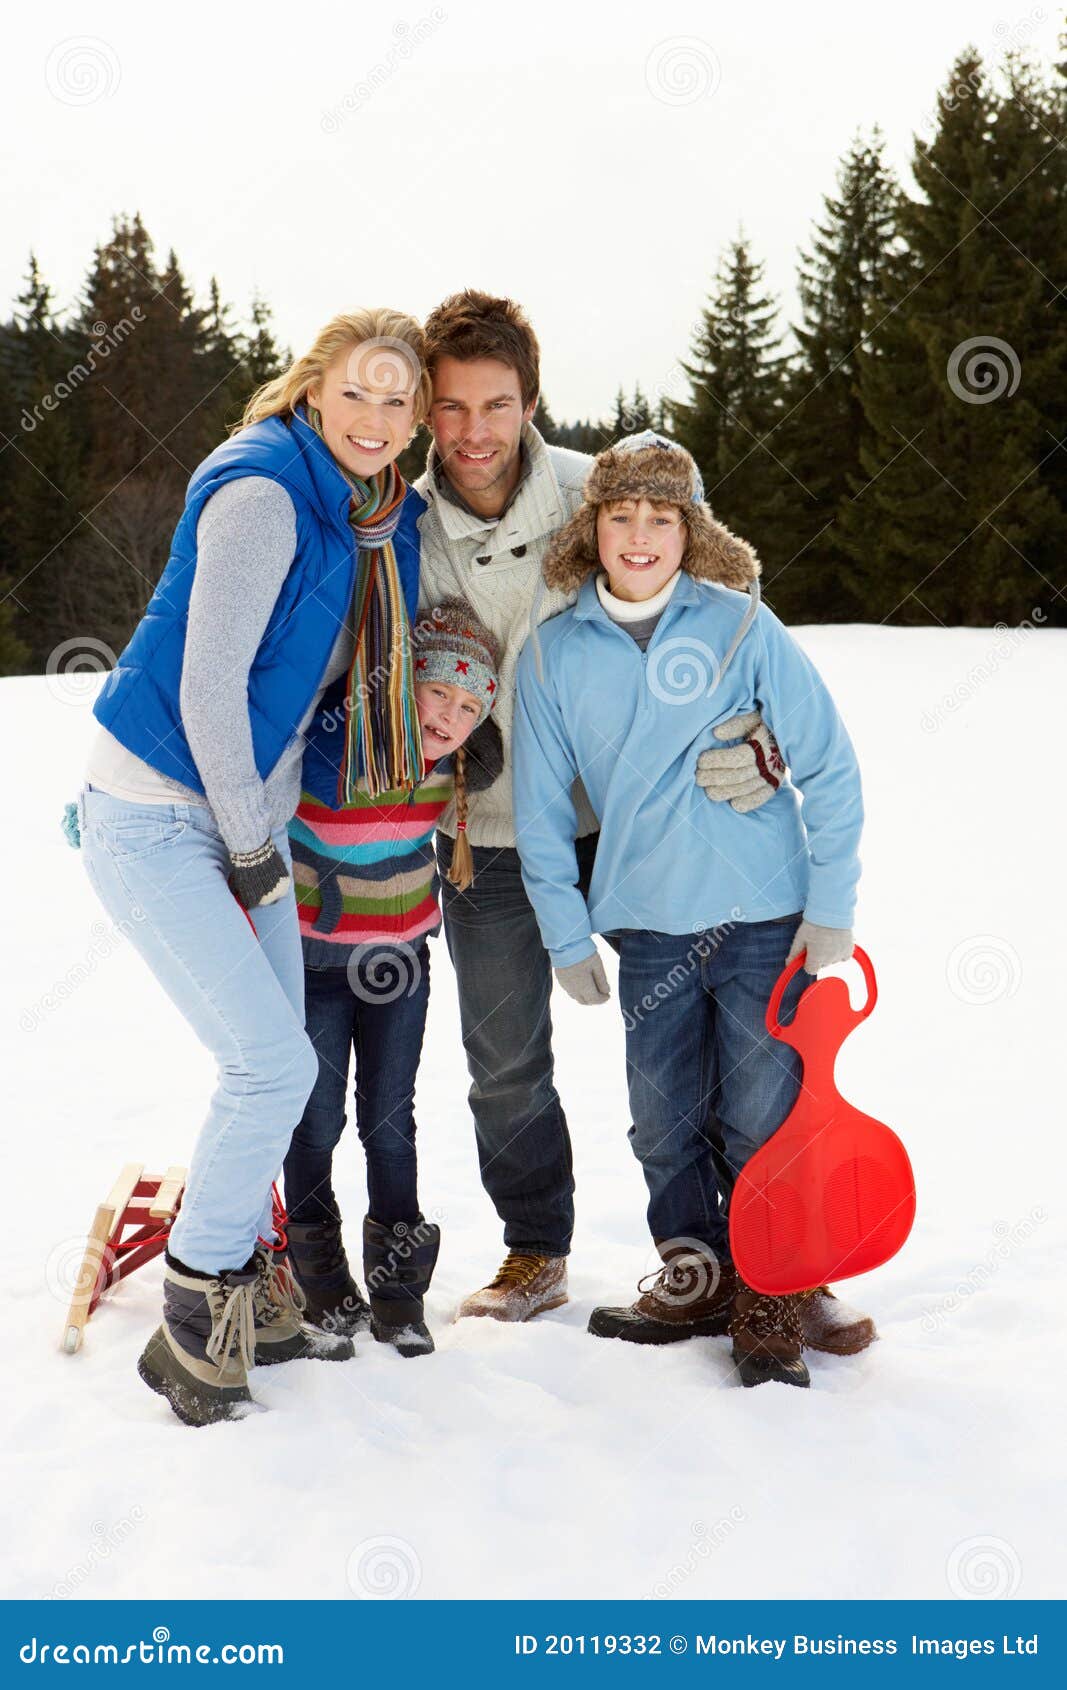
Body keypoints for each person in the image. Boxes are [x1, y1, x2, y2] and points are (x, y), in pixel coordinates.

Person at [413, 291, 872, 1356]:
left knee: (753, 1082)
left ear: (530, 403)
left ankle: (781, 1267)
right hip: (523, 843)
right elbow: (385, 661)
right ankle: (599, 1256)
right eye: (453, 406)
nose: (476, 429)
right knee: (574, 1079)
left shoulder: (639, 527)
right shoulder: (413, 528)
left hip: (702, 869)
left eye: (497, 403)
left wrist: (777, 779)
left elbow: (808, 732)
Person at [73, 309, 431, 1424]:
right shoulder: (266, 493)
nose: (374, 417)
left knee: (286, 1071)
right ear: (314, 389)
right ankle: (197, 1308)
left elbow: (308, 694)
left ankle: (236, 1273)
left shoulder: (369, 514)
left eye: (397, 400)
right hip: (159, 817)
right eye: (356, 392)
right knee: (270, 1066)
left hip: (243, 816)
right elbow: (207, 687)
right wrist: (246, 849)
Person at [512, 432, 865, 1389]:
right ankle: (696, 1276)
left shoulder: (743, 627)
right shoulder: (552, 655)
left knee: (760, 1117)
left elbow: (829, 767)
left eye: (661, 518)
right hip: (648, 927)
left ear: (689, 531)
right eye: (620, 515)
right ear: (591, 529)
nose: (639, 535)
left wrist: (830, 905)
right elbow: (538, 812)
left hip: (764, 918)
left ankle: (772, 1290)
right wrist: (563, 934)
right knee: (661, 1123)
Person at [281, 602, 503, 1357]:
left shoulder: (457, 768)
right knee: (314, 1120)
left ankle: (399, 1291)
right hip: (313, 961)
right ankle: (318, 1275)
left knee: (389, 1121)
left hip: (400, 965)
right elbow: (243, 770)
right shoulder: (330, 746)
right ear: (402, 687)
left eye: (469, 706)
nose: (450, 716)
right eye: (438, 692)